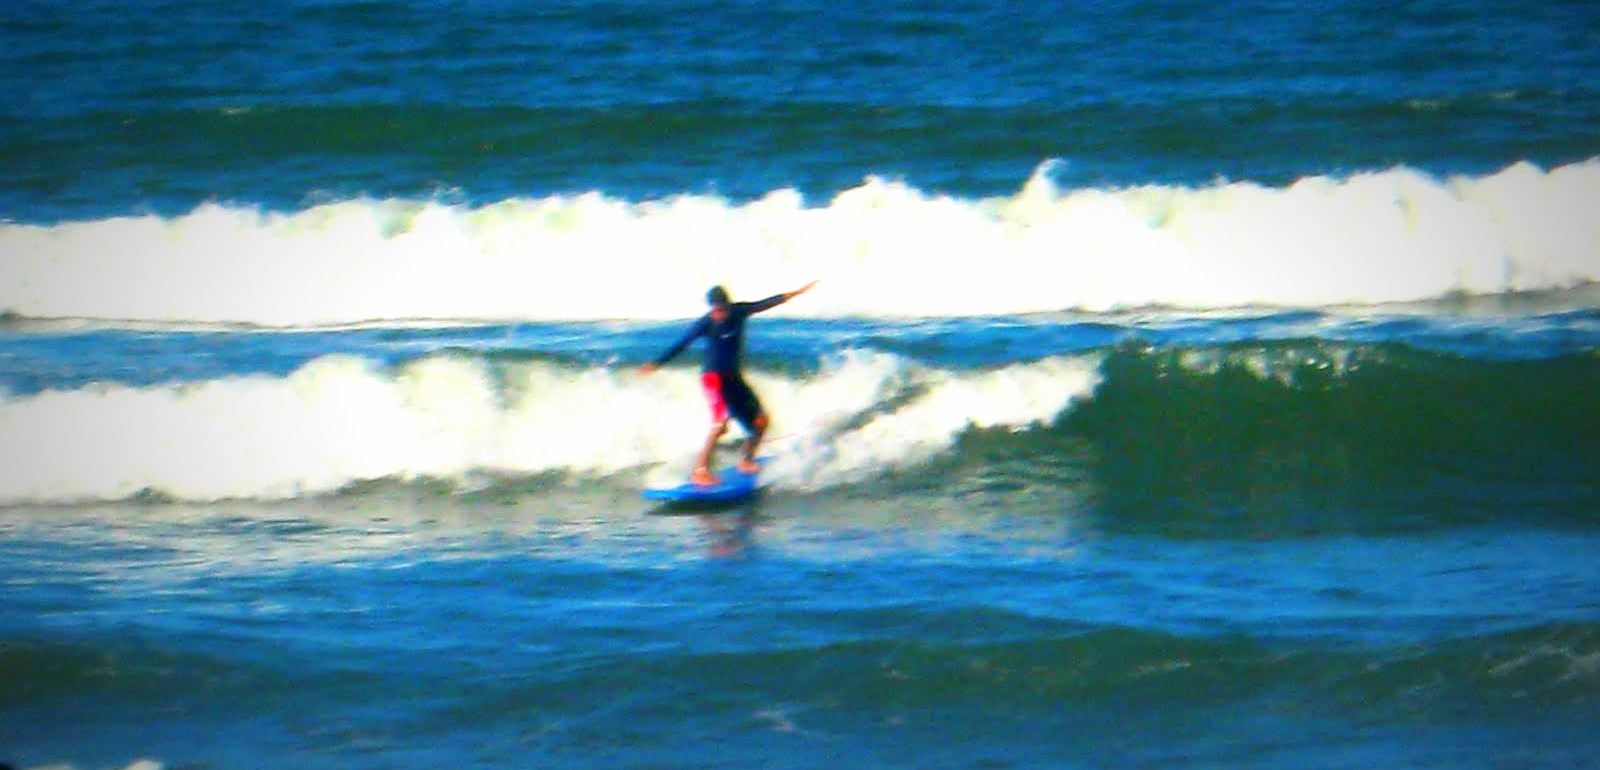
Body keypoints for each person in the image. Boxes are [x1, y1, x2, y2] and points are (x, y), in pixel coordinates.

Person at [640, 281, 817, 485]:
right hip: (713, 378)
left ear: (727, 304)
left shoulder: (738, 312)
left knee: (761, 421)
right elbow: (681, 345)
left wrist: (793, 294)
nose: (719, 313)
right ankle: (700, 470)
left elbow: (764, 304)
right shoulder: (705, 323)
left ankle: (746, 460)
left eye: (722, 308)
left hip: (734, 378)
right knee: (720, 423)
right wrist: (656, 363)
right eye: (715, 309)